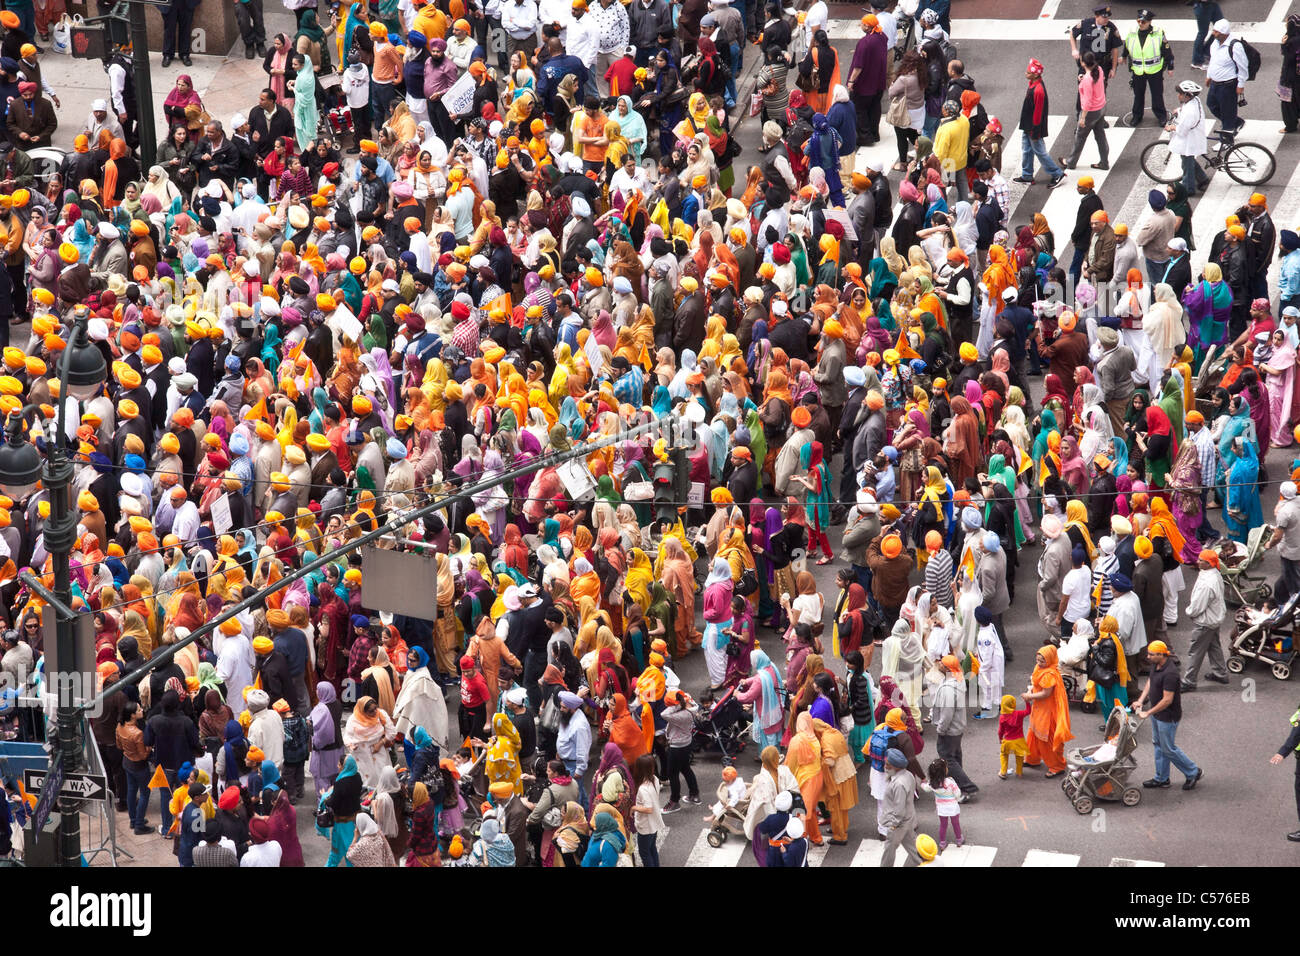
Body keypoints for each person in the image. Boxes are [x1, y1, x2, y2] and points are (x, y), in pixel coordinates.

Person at [1135, 640, 1204, 790]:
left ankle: (1192, 771)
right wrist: (1141, 700)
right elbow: (1150, 681)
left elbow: (1167, 700)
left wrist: (1148, 712)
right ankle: (1161, 778)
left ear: (1161, 655)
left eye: (1151, 654)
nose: (1148, 657)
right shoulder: (1156, 664)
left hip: (1167, 716)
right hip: (1157, 714)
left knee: (1168, 748)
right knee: (1158, 745)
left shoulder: (1170, 673)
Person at [1182, 550, 1228, 691]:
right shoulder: (1215, 574)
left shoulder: (1207, 583)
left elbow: (1198, 606)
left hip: (1205, 621)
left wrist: (1189, 612)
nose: (1198, 561)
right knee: (1214, 645)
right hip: (1214, 618)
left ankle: (1189, 681)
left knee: (1195, 651)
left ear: (1208, 564)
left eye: (1201, 560)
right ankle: (1220, 673)